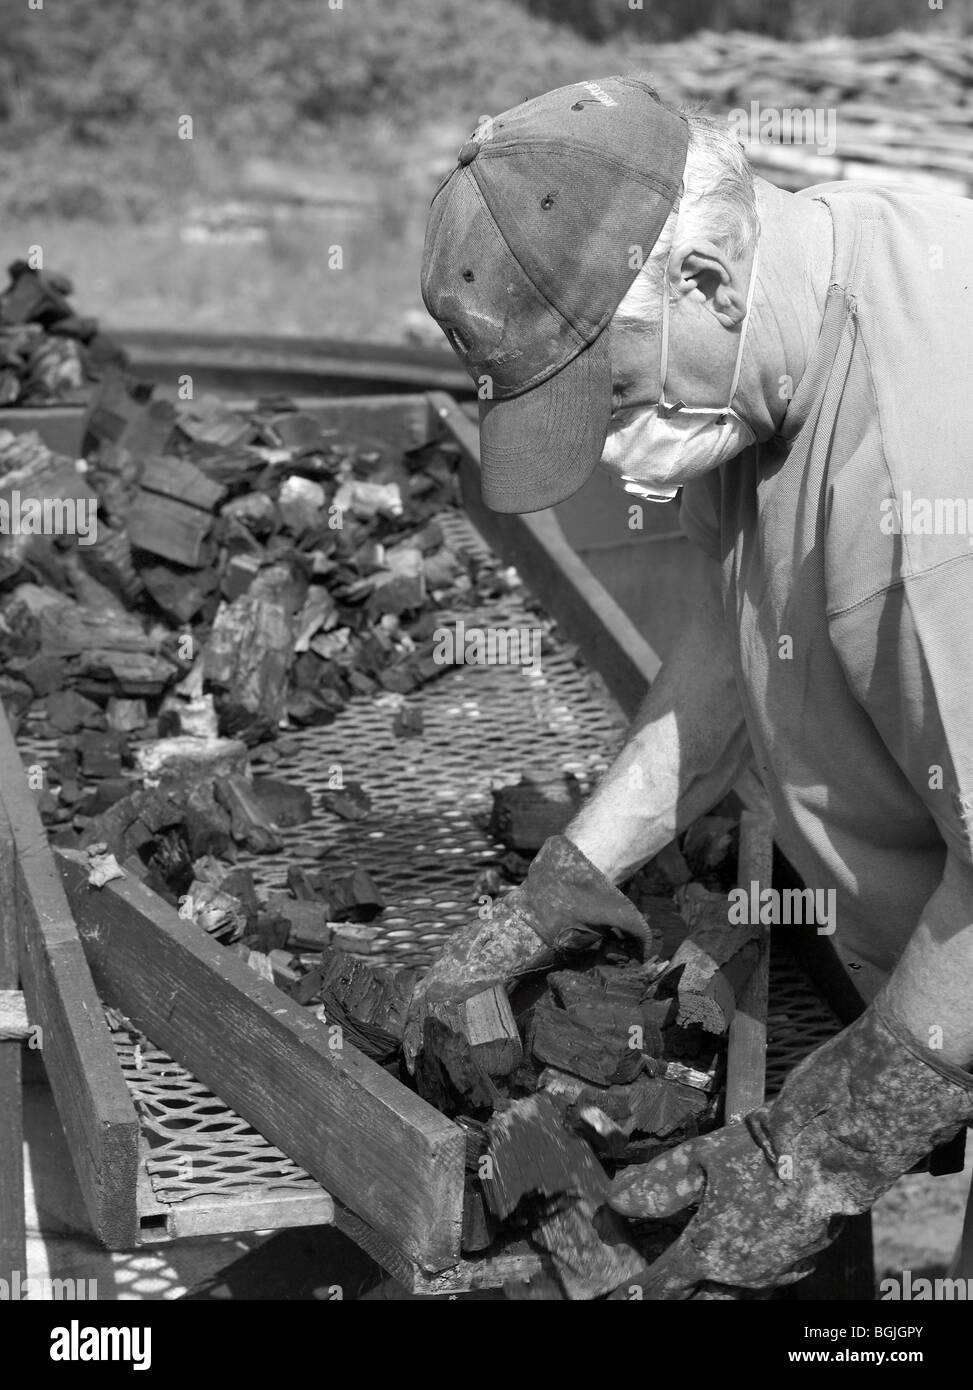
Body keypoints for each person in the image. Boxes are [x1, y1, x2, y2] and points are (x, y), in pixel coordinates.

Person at [415, 74, 973, 1298]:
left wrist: (812, 1155)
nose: (610, 450)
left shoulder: (932, 492)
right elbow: (735, 651)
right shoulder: (771, 329)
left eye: (606, 397)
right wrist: (558, 892)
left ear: (704, 279)